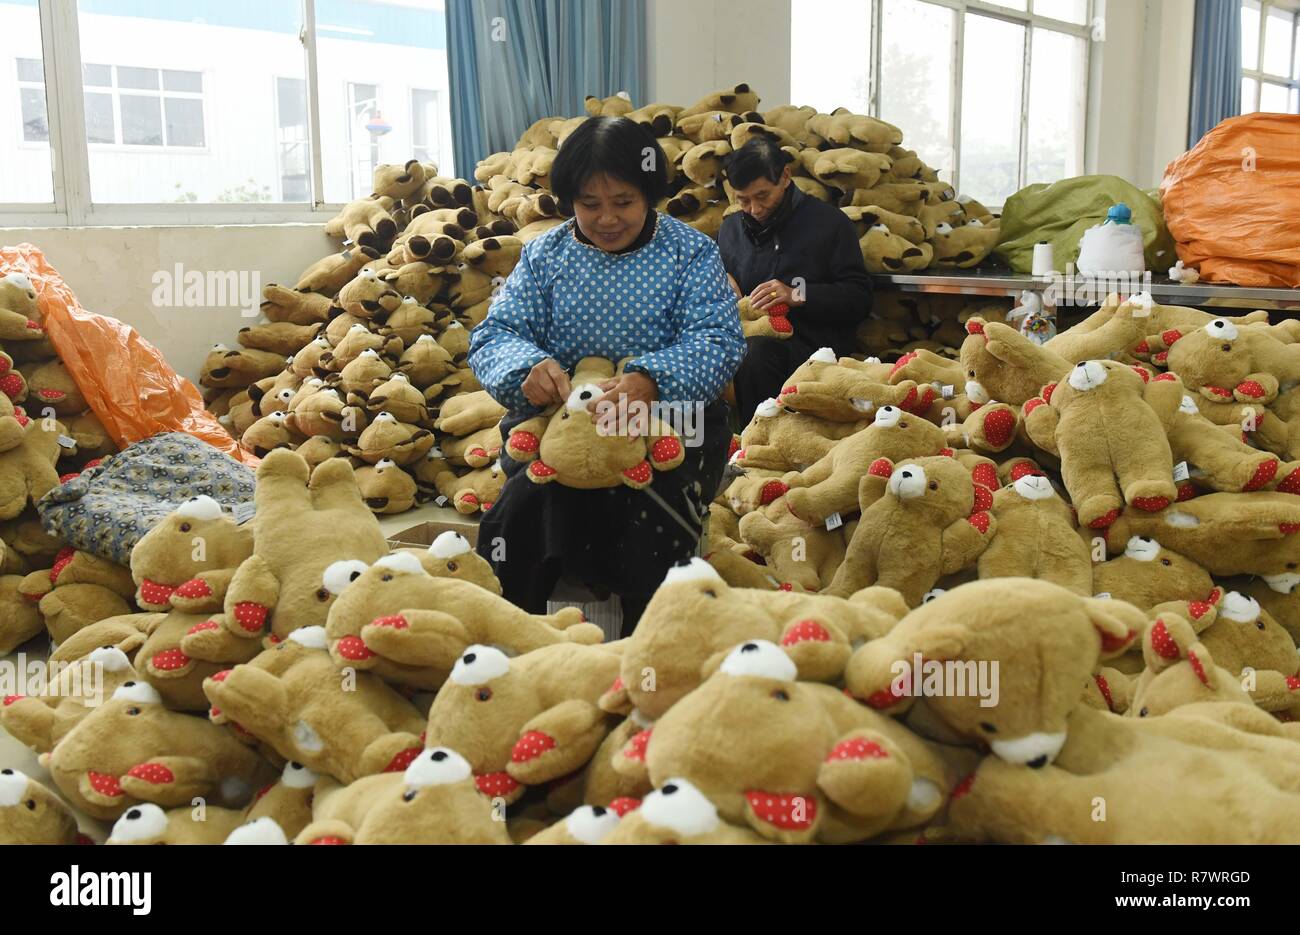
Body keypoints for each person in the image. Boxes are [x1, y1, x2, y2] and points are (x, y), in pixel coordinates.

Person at [468, 115, 745, 636]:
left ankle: (650, 654)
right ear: (568, 199)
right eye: (590, 205)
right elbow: (493, 334)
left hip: (671, 426)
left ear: (650, 193)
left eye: (623, 202)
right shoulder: (546, 255)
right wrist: (527, 369)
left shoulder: (690, 252)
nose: (607, 218)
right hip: (561, 429)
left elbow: (719, 341)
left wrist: (652, 380)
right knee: (519, 513)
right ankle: (513, 647)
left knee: (653, 517)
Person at [717, 137, 873, 425]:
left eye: (763, 196)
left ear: (785, 177)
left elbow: (859, 297)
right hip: (743, 335)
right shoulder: (730, 230)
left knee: (757, 353)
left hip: (810, 346)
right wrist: (721, 282)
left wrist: (796, 294)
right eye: (743, 199)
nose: (754, 209)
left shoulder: (829, 223)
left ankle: (755, 445)